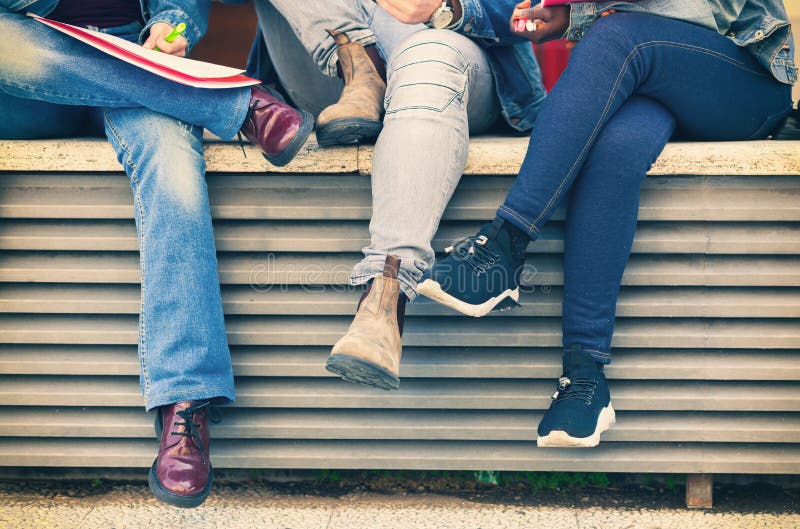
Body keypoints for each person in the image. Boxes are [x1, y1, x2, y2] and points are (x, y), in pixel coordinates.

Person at [418, 0, 796, 447]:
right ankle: (584, 377)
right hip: (660, 73)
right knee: (613, 149)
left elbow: (691, 12)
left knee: (613, 38)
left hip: (743, 81)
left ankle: (506, 243)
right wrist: (565, 18)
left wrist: (577, 17)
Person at [0, 0, 313, 508]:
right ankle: (234, 103)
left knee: (172, 165)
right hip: (26, 63)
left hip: (136, 56)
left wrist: (173, 23)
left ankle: (185, 401)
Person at [247, 0, 547, 389]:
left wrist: (447, 8)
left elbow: (535, 10)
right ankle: (360, 66)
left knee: (428, 57)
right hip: (322, 61)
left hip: (447, 50)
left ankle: (383, 300)